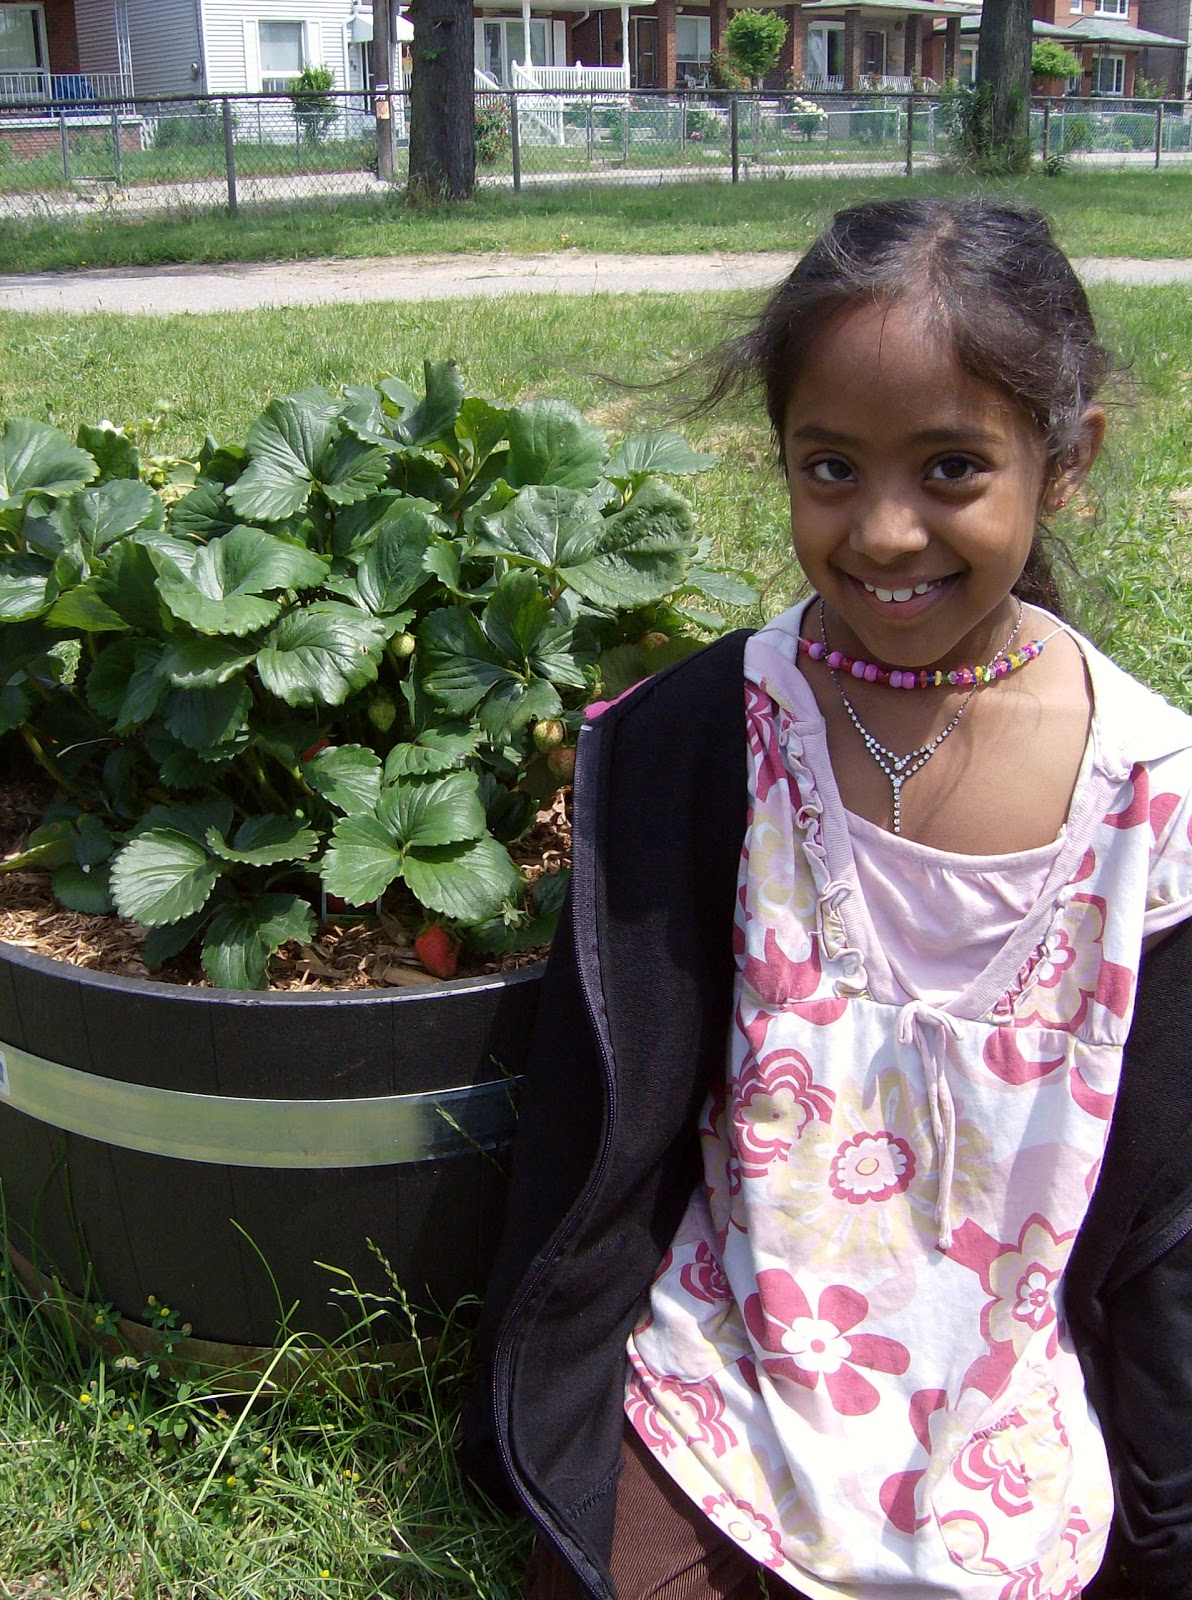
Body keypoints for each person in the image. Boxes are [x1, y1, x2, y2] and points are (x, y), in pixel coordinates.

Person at [462, 198, 1192, 1600]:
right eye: (831, 466)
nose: (886, 530)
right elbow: (587, 1135)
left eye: (953, 467)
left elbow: (1165, 1205)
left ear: (1069, 460)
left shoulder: (1148, 801)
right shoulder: (707, 741)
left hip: (1005, 1419)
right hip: (723, 1378)